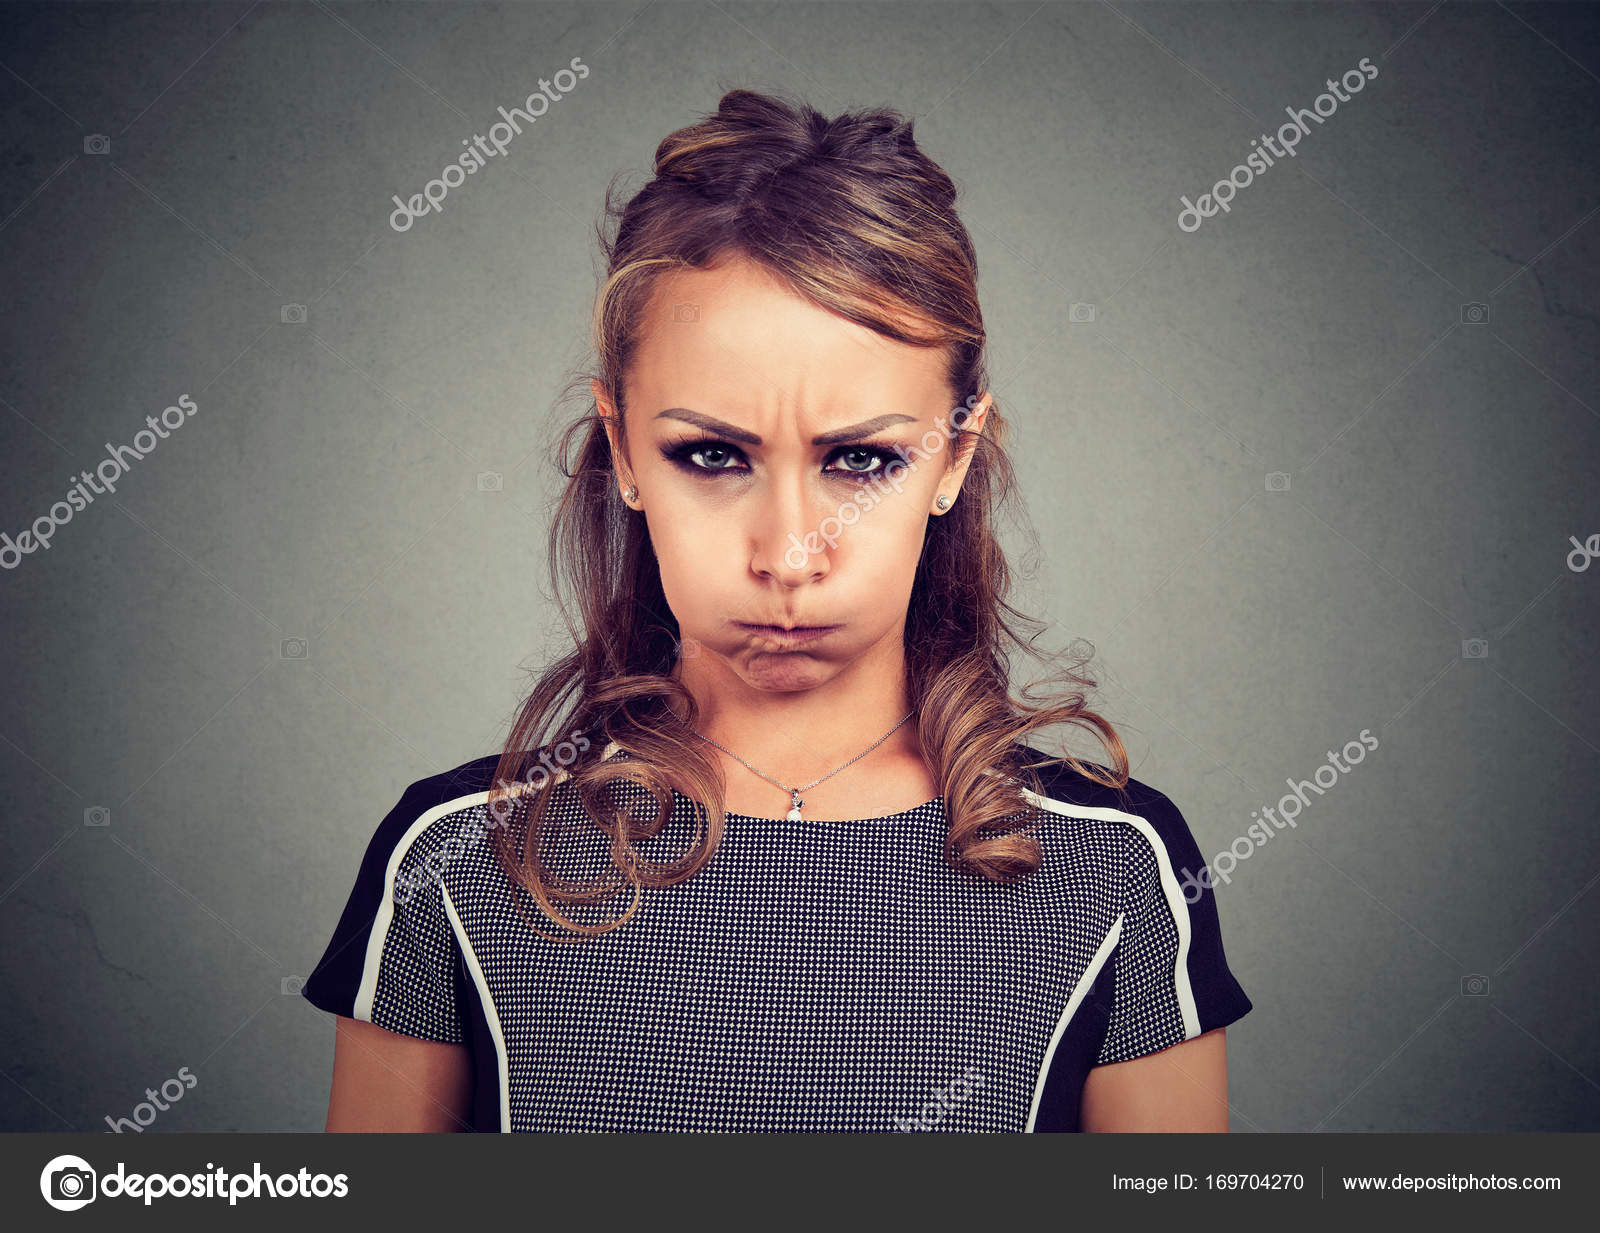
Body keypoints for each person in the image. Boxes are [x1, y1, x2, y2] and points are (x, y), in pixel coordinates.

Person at [301, 88, 1252, 1132]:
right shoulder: (459, 857)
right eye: (711, 455)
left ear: (953, 458)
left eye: (861, 459)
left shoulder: (1109, 863)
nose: (785, 554)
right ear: (621, 449)